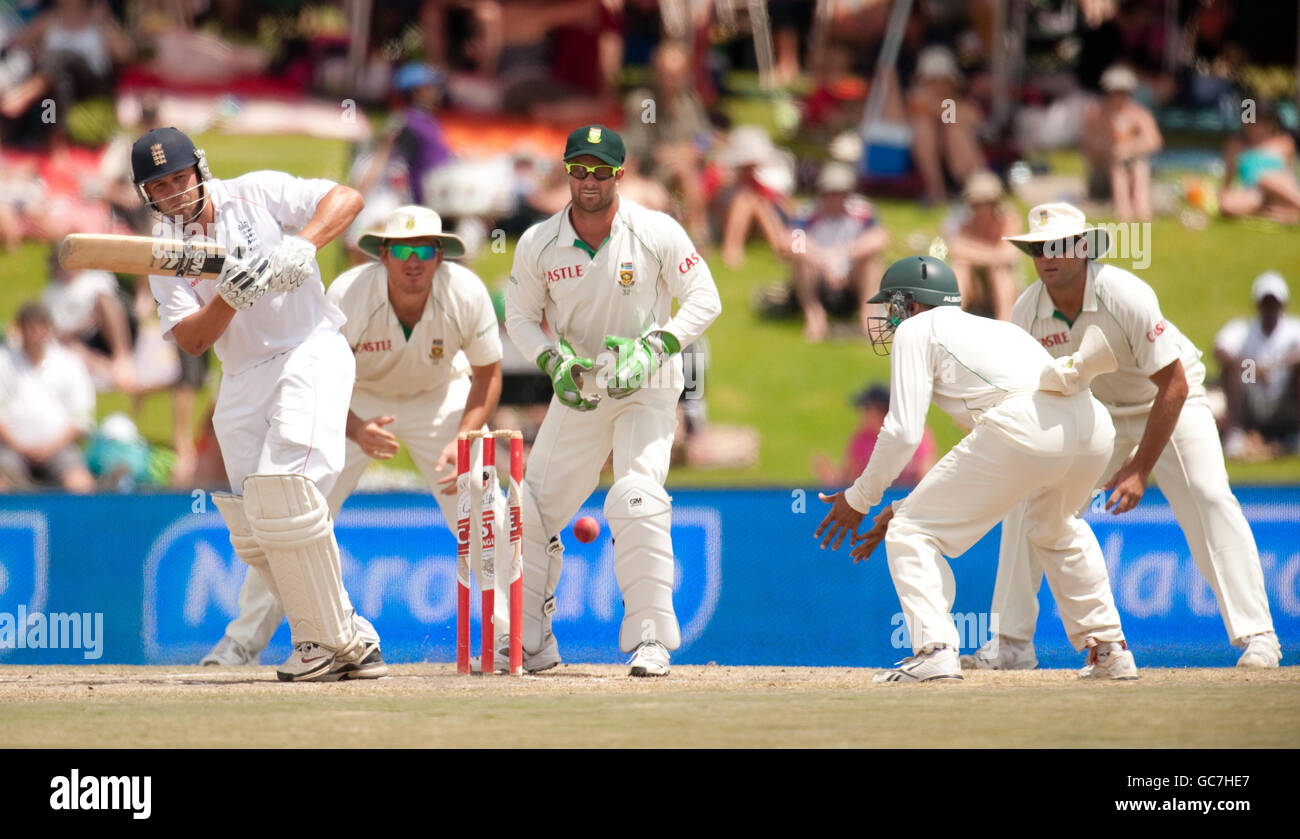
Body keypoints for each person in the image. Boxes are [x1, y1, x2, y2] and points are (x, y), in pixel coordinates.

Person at [964, 203, 1282, 670]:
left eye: (1059, 246)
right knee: (1027, 499)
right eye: (1038, 249)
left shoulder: (1124, 294)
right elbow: (1029, 395)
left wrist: (1139, 469)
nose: (1047, 257)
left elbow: (1173, 384)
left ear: (1085, 248)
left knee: (1210, 497)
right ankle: (1012, 644)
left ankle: (1259, 636)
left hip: (1172, 401)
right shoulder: (1027, 311)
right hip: (1094, 416)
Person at [201, 205, 509, 668]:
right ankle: (240, 643)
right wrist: (356, 429)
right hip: (353, 396)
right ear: (383, 255)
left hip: (440, 394)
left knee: (483, 501)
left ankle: (508, 637)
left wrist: (464, 440)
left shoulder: (465, 291)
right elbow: (316, 369)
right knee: (290, 512)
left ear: (440, 256)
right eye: (403, 249)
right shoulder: (351, 292)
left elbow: (487, 374)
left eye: (425, 249)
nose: (414, 261)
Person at [133, 125, 385, 682]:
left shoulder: (257, 192)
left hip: (309, 349)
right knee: (253, 528)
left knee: (285, 493)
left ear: (200, 169)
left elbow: (347, 199)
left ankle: (323, 642)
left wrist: (302, 243)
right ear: (145, 195)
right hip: (241, 377)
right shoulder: (163, 253)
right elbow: (194, 341)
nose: (175, 194)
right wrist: (228, 296)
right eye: (160, 187)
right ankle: (348, 637)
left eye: (180, 178)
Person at [814, 255, 1138, 683]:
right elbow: (985, 454)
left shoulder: (917, 329)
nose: (890, 318)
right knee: (1056, 526)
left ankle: (935, 651)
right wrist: (911, 501)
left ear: (913, 304)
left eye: (893, 306)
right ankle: (1110, 650)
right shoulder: (996, 329)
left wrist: (860, 499)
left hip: (1029, 425)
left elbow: (903, 433)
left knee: (912, 531)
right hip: (1090, 424)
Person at [505, 124, 722, 676]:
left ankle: (651, 641)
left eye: (600, 171)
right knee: (532, 510)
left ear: (619, 175)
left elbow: (705, 299)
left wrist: (656, 348)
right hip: (581, 387)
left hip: (645, 385)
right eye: (578, 169)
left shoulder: (655, 230)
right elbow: (521, 319)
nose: (589, 180)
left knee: (636, 495)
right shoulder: (539, 243)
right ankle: (532, 642)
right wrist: (555, 362)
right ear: (566, 172)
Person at [0, 301, 96, 493]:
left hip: (58, 449)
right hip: (11, 449)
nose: (34, 333)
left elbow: (82, 419)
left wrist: (49, 448)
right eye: (29, 327)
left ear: (49, 329)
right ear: (20, 329)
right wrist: (21, 447)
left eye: (39, 326)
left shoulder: (70, 363)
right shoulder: (4, 362)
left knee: (81, 484)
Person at [789, 162, 889, 342]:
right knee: (801, 262)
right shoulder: (807, 212)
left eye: (839, 194)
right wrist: (823, 261)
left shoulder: (862, 211)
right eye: (829, 194)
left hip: (850, 275)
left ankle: (868, 320)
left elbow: (880, 238)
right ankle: (814, 317)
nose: (833, 199)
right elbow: (792, 243)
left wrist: (843, 255)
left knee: (872, 261)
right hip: (818, 275)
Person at [1215, 272, 1300, 459]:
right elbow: (1220, 351)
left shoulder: (1293, 329)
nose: (1270, 308)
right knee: (1233, 370)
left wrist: (1278, 366)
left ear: (1282, 305)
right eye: (1266, 303)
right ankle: (1235, 432)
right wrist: (1252, 368)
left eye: (1274, 303)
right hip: (1252, 399)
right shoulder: (1244, 329)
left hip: (1284, 400)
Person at [812, 384, 937, 488]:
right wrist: (830, 478)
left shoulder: (913, 433)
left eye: (865, 409)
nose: (861, 415)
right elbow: (848, 480)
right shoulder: (862, 440)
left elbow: (924, 477)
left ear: (879, 411)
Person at [1081, 65, 1161, 222]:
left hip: (1132, 170)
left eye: (1123, 92)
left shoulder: (1138, 114)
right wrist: (1110, 151)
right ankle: (1122, 208)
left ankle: (1141, 207)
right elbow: (1090, 150)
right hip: (1101, 178)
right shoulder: (1096, 115)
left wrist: (1128, 149)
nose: (1119, 97)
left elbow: (1154, 141)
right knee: (1116, 166)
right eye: (1115, 92)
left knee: (1139, 166)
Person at [945, 170, 1022, 321]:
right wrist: (993, 255)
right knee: (961, 267)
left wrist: (971, 251)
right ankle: (950, 322)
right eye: (978, 203)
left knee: (1001, 273)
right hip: (973, 289)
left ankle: (1005, 325)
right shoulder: (961, 221)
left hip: (1005, 287)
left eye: (987, 202)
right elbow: (953, 249)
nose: (982, 208)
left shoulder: (1008, 219)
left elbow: (1009, 255)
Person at [1219, 100, 1300, 224]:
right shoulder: (1236, 145)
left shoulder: (1284, 143)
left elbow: (1290, 175)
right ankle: (1280, 213)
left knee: (1265, 178)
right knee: (1227, 205)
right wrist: (1225, 193)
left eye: (1257, 122)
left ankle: (1292, 207)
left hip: (1279, 185)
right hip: (1256, 191)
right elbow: (1229, 177)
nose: (1252, 127)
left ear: (1269, 122)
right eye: (1248, 122)